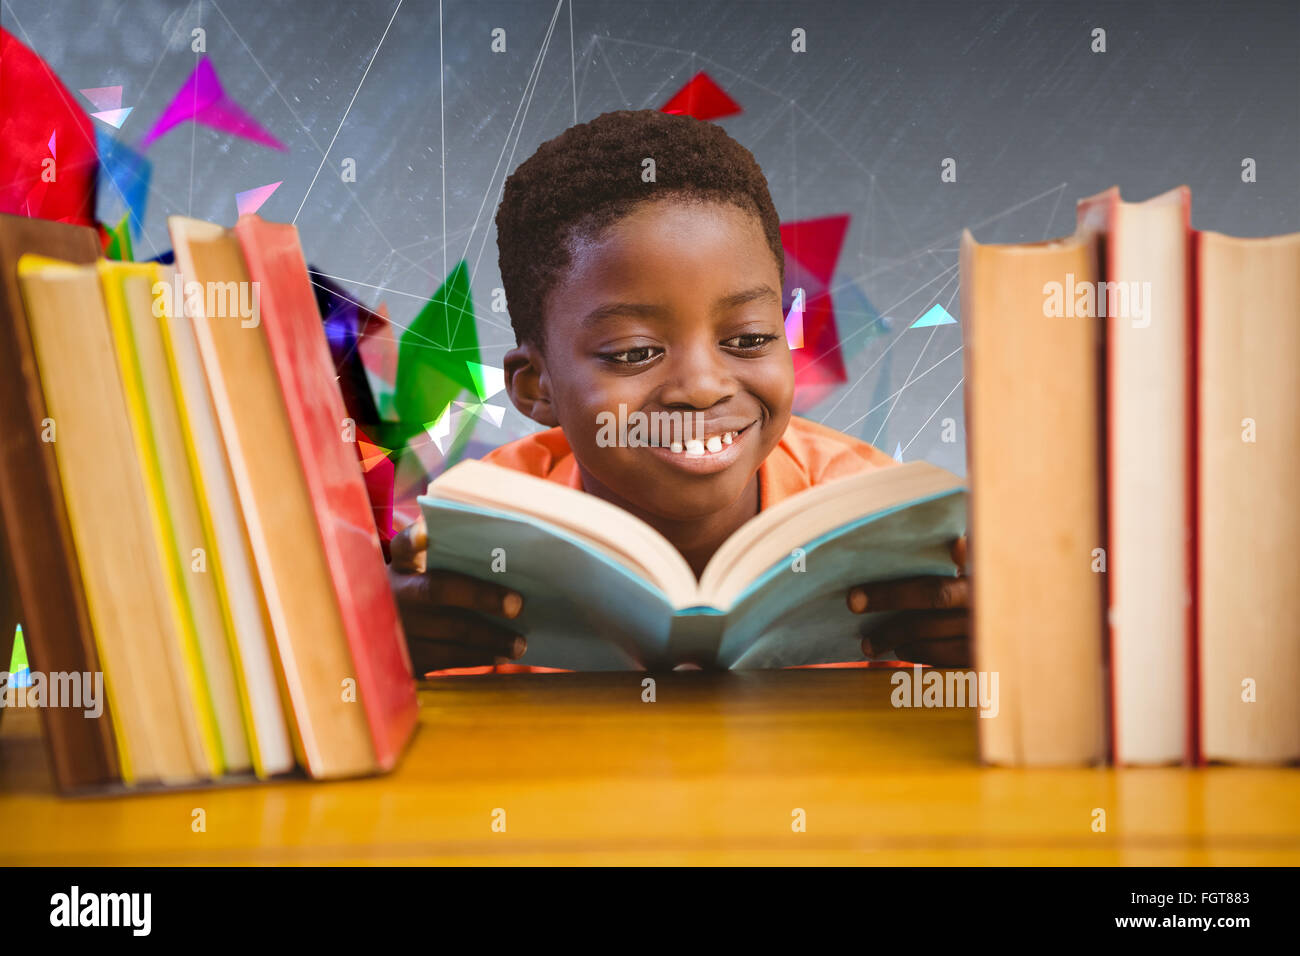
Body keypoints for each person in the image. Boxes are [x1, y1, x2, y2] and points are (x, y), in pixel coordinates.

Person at [388, 109, 968, 674]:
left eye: (748, 338)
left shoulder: (875, 514)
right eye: (635, 352)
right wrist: (379, 650)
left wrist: (996, 641)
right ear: (537, 387)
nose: (702, 387)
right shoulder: (478, 537)